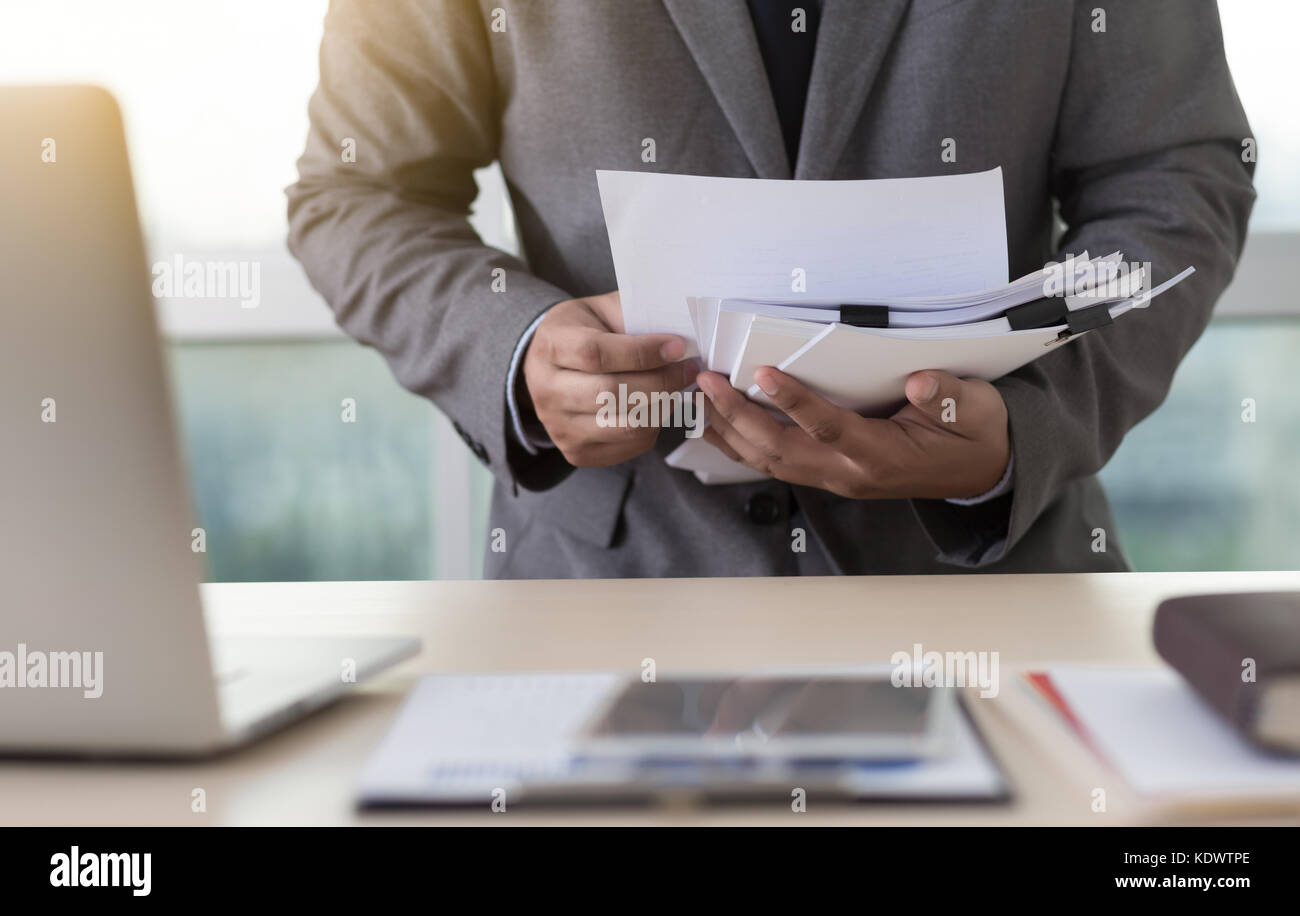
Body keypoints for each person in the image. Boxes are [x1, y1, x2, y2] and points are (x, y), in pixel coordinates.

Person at [287, 0, 1255, 578]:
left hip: (991, 592)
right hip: (608, 593)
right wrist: (519, 352)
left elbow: (1175, 177)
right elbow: (357, 194)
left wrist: (1030, 420)